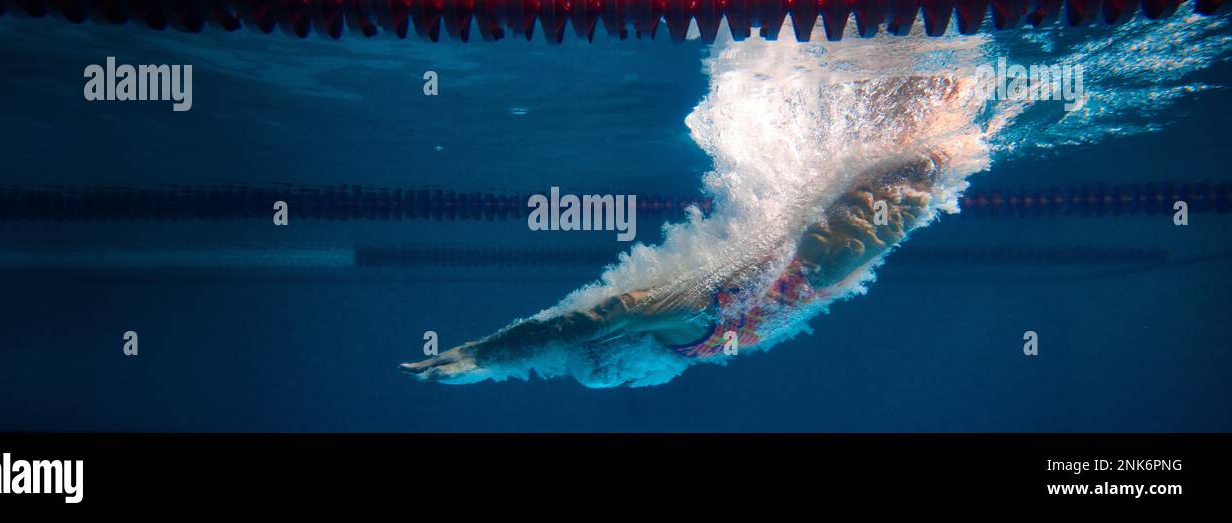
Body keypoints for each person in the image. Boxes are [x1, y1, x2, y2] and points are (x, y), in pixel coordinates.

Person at [400, 151, 944, 384]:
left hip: (824, 260)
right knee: (927, 161)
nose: (636, 383)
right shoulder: (686, 344)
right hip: (819, 268)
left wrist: (487, 355)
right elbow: (592, 329)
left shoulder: (686, 315)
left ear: (625, 355)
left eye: (621, 378)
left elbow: (595, 319)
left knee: (931, 162)